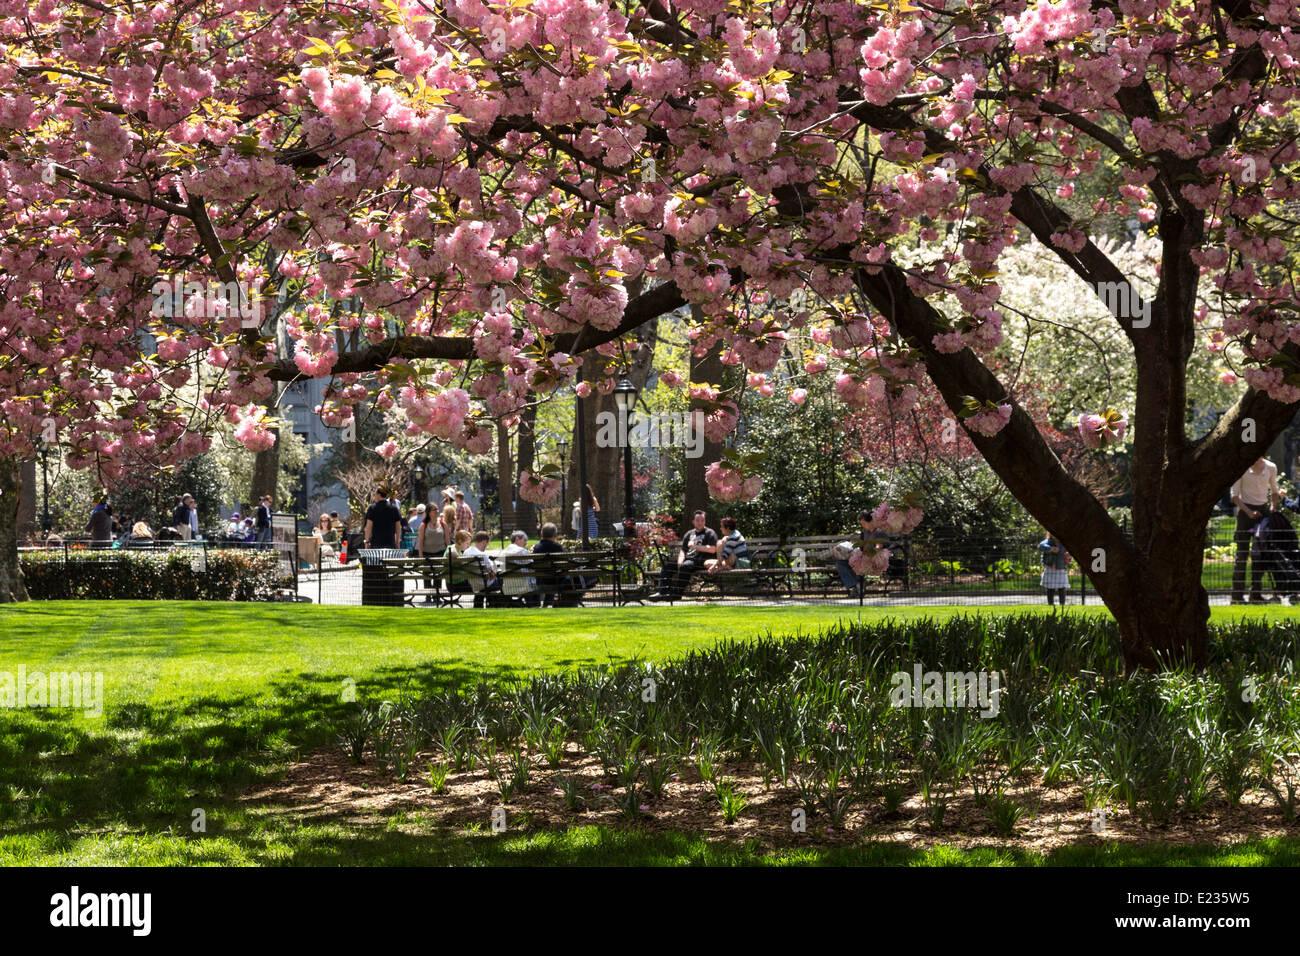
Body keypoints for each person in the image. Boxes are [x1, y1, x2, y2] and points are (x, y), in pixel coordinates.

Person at [1231, 456, 1282, 604]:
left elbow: (1274, 491)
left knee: (1259, 555)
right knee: (1241, 556)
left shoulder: (1271, 467)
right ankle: (1237, 596)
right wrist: (1248, 512)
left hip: (1263, 512)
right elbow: (1234, 496)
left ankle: (1256, 594)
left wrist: (1272, 508)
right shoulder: (1241, 466)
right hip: (1245, 513)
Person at [651, 510, 717, 599]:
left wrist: (694, 546)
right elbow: (683, 550)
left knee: (685, 566)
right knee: (668, 566)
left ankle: (677, 593)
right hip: (687, 560)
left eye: (702, 520)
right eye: (698, 520)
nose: (700, 522)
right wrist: (679, 561)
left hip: (700, 561)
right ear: (693, 521)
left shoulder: (709, 533)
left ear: (705, 521)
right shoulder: (689, 534)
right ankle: (663, 592)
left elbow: (713, 549)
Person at [835, 510, 874, 596]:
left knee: (856, 564)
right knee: (840, 563)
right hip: (860, 555)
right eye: (861, 524)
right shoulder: (864, 531)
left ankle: (858, 585)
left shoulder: (876, 531)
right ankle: (856, 585)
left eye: (863, 523)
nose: (862, 526)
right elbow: (862, 545)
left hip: (870, 557)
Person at [462, 530, 501, 607]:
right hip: (485, 584)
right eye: (487, 544)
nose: (486, 547)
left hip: (473, 583)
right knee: (501, 580)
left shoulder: (466, 552)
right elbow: (492, 573)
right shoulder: (482, 555)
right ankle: (496, 605)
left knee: (483, 582)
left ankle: (478, 606)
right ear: (484, 542)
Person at [1038, 533, 1070, 607]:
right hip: (1050, 568)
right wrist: (1051, 549)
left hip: (1060, 568)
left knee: (1062, 587)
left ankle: (1062, 604)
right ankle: (1050, 604)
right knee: (1050, 588)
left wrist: (1068, 556)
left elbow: (1068, 556)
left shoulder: (1064, 543)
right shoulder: (1048, 541)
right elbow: (1041, 546)